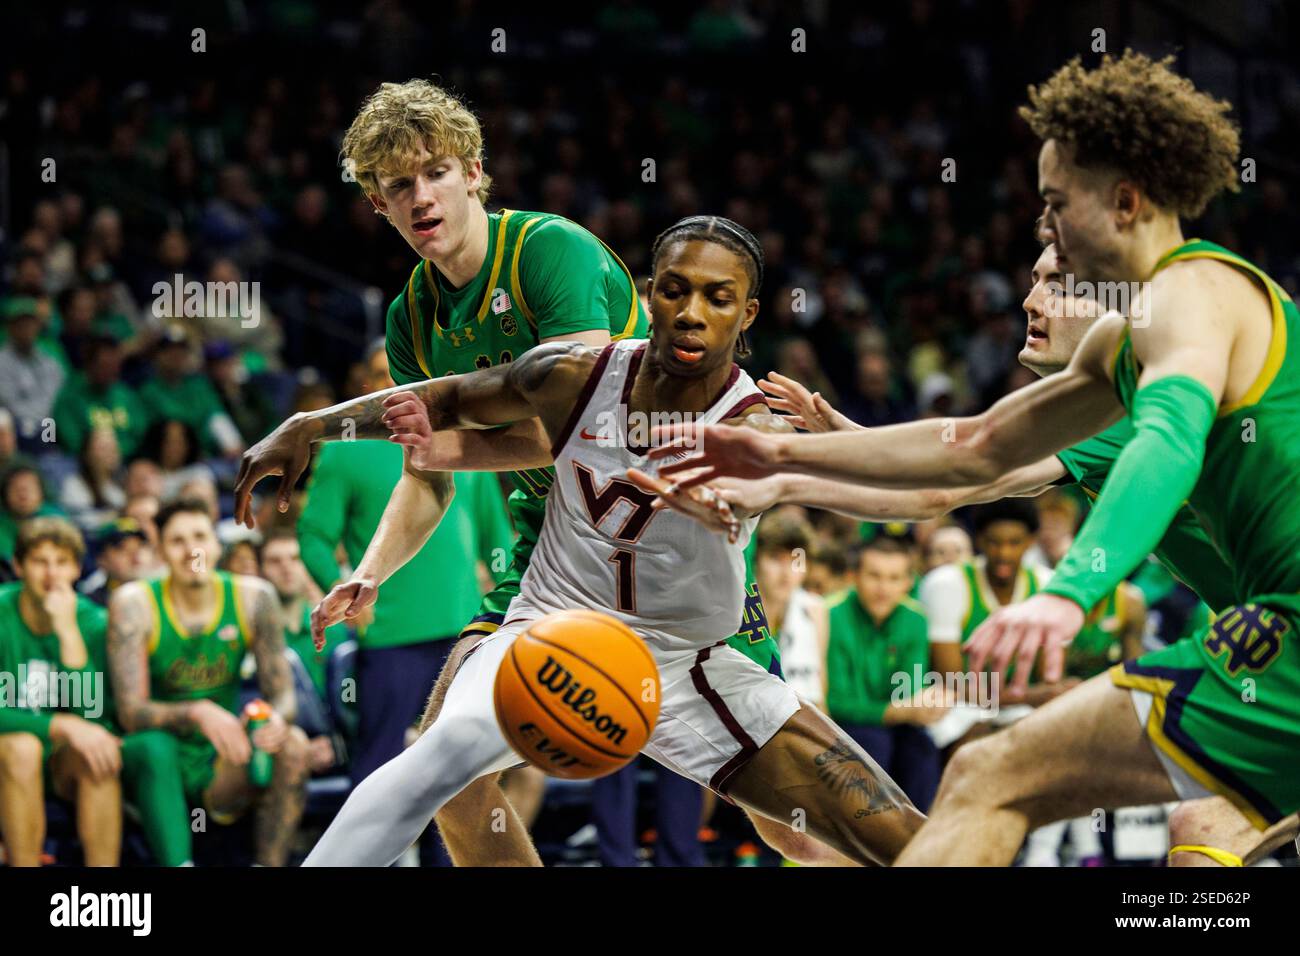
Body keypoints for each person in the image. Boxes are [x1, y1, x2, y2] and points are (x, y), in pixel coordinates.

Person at [652, 52, 1300, 865]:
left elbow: (1166, 440)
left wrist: (1068, 593)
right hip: (1273, 642)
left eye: (1057, 205)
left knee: (989, 775)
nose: (1047, 230)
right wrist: (777, 453)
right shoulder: (1120, 341)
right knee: (1199, 836)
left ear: (1126, 202)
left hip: (1287, 633)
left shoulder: (1190, 293)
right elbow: (977, 446)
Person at [230, 80, 783, 865]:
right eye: (397, 186)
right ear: (378, 206)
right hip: (545, 560)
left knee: (782, 810)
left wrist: (355, 430)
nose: (420, 196)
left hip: (664, 544)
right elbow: (426, 473)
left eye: (436, 173)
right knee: (445, 761)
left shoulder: (548, 252)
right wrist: (372, 571)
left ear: (474, 173)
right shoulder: (410, 319)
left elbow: (584, 429)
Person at [299, 217, 923, 866]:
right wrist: (316, 430)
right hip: (562, 597)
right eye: (675, 291)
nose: (690, 313)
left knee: (808, 829)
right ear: (649, 295)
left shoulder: (754, 422)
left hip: (693, 640)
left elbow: (848, 487)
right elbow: (457, 413)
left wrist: (792, 470)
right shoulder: (573, 375)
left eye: (717, 297)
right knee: (445, 763)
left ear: (748, 313)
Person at [296, 337, 521, 861]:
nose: (393, 383)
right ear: (366, 387)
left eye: (404, 373)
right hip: (391, 631)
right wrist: (348, 589)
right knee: (378, 766)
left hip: (464, 629)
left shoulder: (462, 438)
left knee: (460, 770)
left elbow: (497, 534)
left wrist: (504, 591)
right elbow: (311, 534)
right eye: (381, 374)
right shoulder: (345, 450)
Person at [106, 499, 309, 866]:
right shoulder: (134, 603)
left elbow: (282, 694)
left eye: (200, 536)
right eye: (177, 541)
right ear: (161, 551)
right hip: (158, 755)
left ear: (217, 545)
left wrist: (274, 720)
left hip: (221, 753)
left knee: (292, 744)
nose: (191, 551)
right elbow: (130, 713)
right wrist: (198, 711)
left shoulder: (254, 597)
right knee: (155, 747)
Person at [0, 518, 120, 866]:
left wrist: (68, 633)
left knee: (98, 756)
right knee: (23, 747)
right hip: (8, 755)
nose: (51, 574)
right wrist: (62, 726)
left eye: (62, 562)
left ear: (77, 569)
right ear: (19, 567)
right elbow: (74, 725)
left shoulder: (93, 622)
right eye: (40, 561)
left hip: (59, 762)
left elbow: (95, 719)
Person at [827, 536, 944, 812]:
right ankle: (866, 843)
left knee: (922, 747)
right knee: (873, 742)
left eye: (894, 578)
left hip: (892, 722)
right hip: (842, 723)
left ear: (908, 582)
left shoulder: (916, 619)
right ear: (854, 576)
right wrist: (897, 711)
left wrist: (931, 703)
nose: (884, 588)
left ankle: (916, 840)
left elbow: (909, 694)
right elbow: (836, 703)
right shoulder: (830, 614)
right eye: (874, 576)